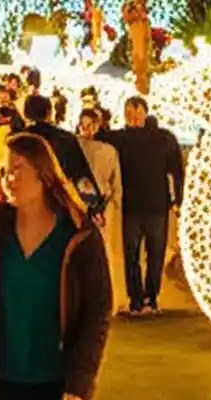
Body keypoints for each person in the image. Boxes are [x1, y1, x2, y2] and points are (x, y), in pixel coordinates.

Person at [0, 133, 111, 400]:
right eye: (5, 171)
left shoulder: (78, 235)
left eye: (18, 169)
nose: (10, 178)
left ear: (44, 173)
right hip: (4, 380)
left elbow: (97, 309)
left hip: (58, 381)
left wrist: (80, 381)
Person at [97, 97, 185, 315]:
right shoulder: (121, 138)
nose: (133, 115)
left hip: (157, 205)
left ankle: (151, 297)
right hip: (132, 206)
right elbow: (97, 138)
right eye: (128, 111)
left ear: (145, 112)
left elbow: (176, 170)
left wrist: (177, 200)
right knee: (131, 255)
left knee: (155, 254)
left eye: (136, 110)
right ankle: (136, 299)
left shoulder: (163, 138)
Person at [23, 96, 104, 217]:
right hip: (57, 204)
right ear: (49, 113)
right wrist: (93, 204)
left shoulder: (17, 139)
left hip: (24, 201)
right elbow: (79, 175)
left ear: (25, 113)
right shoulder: (65, 139)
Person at [77, 109, 124, 313]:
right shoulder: (75, 148)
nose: (87, 129)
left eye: (90, 125)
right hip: (82, 207)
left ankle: (104, 301)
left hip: (99, 208)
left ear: (97, 126)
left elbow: (116, 187)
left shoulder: (108, 151)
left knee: (102, 254)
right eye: (84, 125)